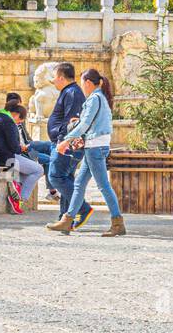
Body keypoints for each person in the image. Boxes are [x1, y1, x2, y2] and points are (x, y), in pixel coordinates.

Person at [46, 68, 126, 237]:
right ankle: (67, 220)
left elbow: (85, 124)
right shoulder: (100, 98)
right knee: (79, 185)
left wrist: (66, 140)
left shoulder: (95, 99)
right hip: (94, 147)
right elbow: (88, 123)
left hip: (95, 148)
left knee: (103, 186)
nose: (82, 87)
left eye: (82, 83)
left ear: (88, 83)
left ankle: (117, 222)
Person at [47, 62, 93, 229]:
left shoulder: (72, 93)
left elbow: (72, 122)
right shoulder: (69, 92)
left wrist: (62, 141)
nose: (53, 81)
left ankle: (83, 208)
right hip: (66, 144)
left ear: (60, 77)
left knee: (56, 177)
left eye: (54, 77)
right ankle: (66, 219)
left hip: (66, 145)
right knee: (66, 179)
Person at [0, 99, 44, 213]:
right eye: (20, 121)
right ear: (16, 115)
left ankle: (16, 187)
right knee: (39, 170)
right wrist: (21, 148)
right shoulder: (8, 122)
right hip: (7, 158)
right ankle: (20, 198)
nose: (18, 123)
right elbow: (14, 148)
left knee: (31, 166)